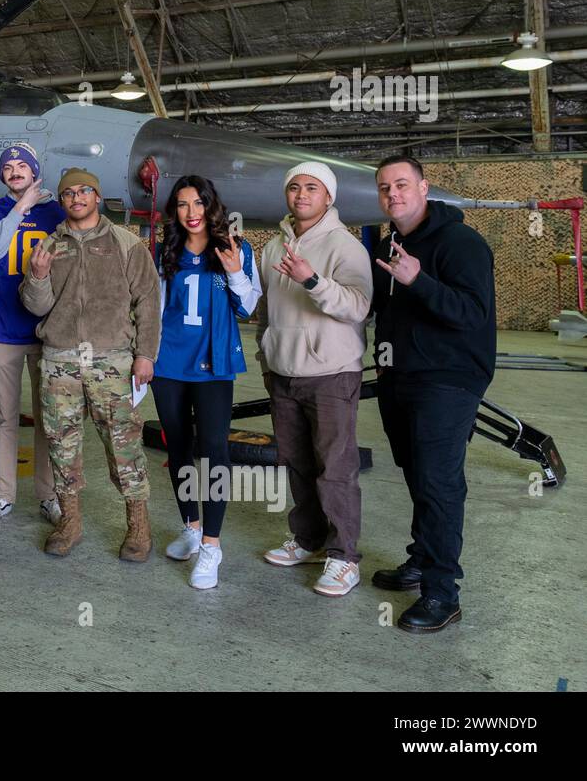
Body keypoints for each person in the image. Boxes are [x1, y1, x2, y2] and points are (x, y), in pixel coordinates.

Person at [370, 155, 495, 633]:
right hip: (399, 377)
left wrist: (418, 281)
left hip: (448, 380)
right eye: (384, 188)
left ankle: (443, 593)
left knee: (440, 483)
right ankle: (422, 557)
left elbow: (472, 313)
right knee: (417, 474)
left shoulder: (461, 242)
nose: (393, 194)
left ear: (424, 188)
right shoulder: (389, 245)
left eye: (402, 184)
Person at [20, 168, 160, 560]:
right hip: (60, 360)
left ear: (97, 197)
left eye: (84, 191)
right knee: (62, 445)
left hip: (112, 361)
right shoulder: (49, 244)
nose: (76, 198)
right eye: (68, 193)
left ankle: (137, 526)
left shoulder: (126, 243)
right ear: (62, 200)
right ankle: (70, 522)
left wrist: (145, 354)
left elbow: (147, 302)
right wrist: (38, 274)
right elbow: (36, 306)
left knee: (123, 446)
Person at [256, 162, 372, 597]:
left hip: (331, 374)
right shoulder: (272, 248)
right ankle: (308, 539)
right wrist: (266, 354)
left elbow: (359, 306)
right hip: (283, 372)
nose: (301, 194)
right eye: (294, 187)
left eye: (311, 187)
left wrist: (312, 280)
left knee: (335, 467)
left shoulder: (345, 246)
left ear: (329, 197)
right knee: (297, 463)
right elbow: (267, 309)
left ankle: (344, 557)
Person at [153, 174, 261, 590]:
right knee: (177, 445)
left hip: (214, 364)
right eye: (182, 205)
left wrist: (235, 273)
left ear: (211, 205)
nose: (191, 213)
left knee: (214, 448)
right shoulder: (167, 252)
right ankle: (192, 528)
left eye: (198, 203)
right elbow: (157, 308)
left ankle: (213, 545)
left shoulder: (235, 248)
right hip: (169, 364)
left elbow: (247, 307)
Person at [0, 142, 64, 526]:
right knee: (6, 418)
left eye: (21, 165)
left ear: (34, 171)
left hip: (46, 331)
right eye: (8, 166)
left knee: (47, 419)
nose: (15, 171)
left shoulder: (59, 213)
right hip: (4, 330)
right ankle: (4, 494)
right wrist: (20, 207)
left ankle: (48, 496)